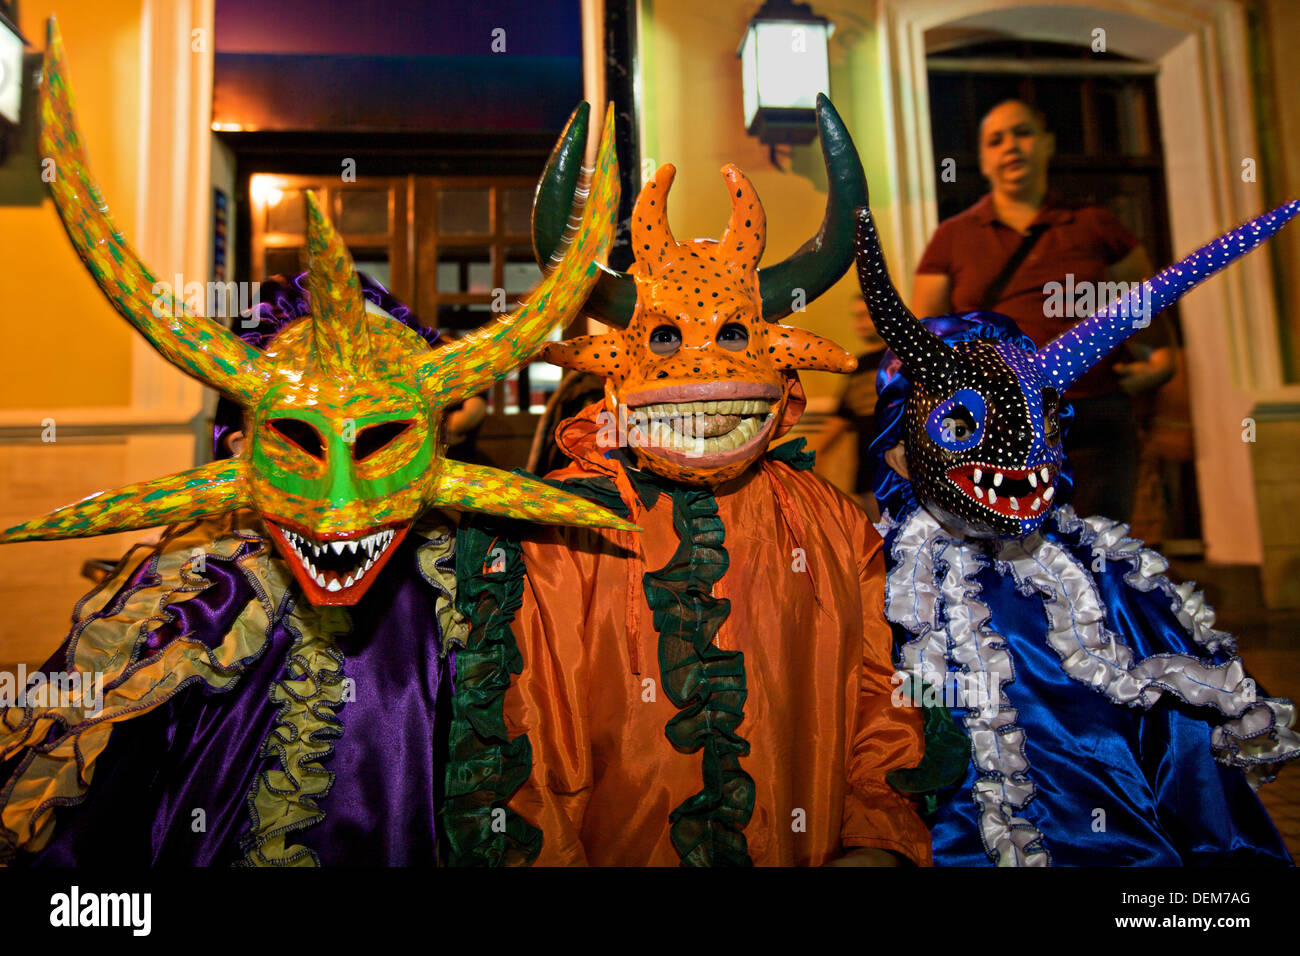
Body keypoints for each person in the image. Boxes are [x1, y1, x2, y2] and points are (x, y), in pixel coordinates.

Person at [0, 23, 629, 866]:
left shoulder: (476, 596)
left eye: (378, 443)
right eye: (299, 440)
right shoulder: (199, 602)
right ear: (242, 441)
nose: (338, 508)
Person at [442, 98, 933, 867]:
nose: (704, 380)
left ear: (779, 354)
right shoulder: (559, 534)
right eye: (667, 340)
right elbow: (528, 756)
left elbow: (884, 692)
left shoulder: (836, 528)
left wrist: (877, 840)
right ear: (620, 361)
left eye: (734, 339)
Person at [855, 202, 1299, 865]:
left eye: (1043, 423)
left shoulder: (1104, 585)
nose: (1024, 453)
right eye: (961, 426)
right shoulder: (868, 588)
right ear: (898, 452)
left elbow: (1188, 767)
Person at [911, 99, 1173, 521]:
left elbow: (1146, 316)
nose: (1011, 146)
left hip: (1093, 414)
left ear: (1048, 144)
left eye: (1023, 132)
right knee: (1017, 560)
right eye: (996, 140)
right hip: (1000, 426)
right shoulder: (953, 237)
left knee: (1098, 549)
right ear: (983, 160)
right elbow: (925, 344)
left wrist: (1160, 365)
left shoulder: (1095, 224)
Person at [807, 293, 888, 518]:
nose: (860, 324)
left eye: (866, 316)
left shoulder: (898, 360)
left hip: (900, 472)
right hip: (867, 475)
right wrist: (814, 455)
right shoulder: (857, 368)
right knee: (880, 537)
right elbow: (840, 418)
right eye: (857, 317)